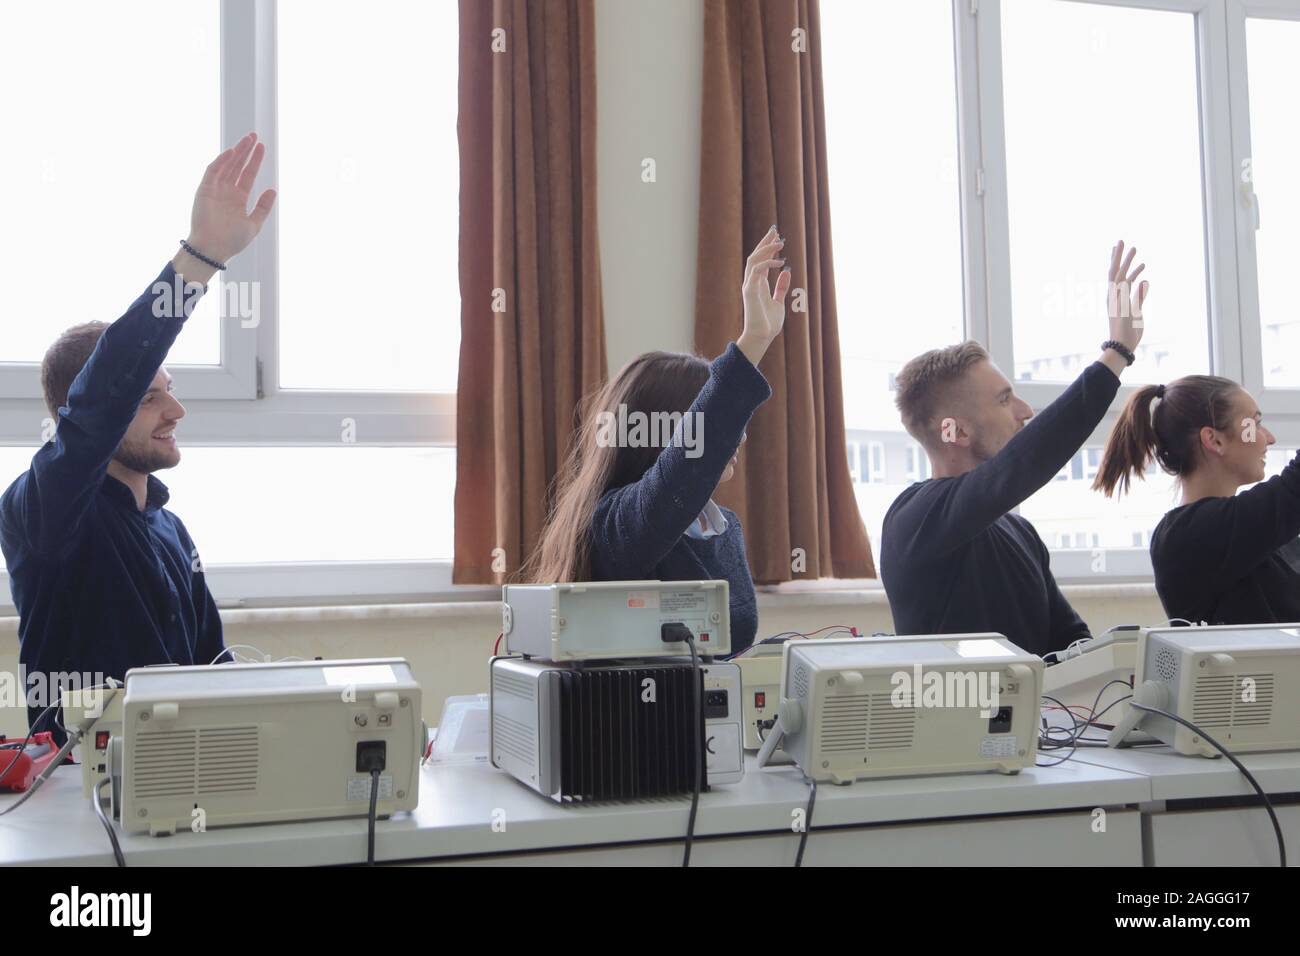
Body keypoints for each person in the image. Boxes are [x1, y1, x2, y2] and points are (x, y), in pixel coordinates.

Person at [0, 133, 277, 740]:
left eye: (170, 388)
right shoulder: (40, 512)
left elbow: (211, 668)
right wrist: (199, 259)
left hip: (189, 783)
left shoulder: (170, 529)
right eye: (148, 396)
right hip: (81, 805)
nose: (175, 408)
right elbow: (104, 397)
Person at [524, 226, 792, 654]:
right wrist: (753, 342)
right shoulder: (615, 524)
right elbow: (681, 476)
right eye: (710, 420)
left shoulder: (723, 528)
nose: (738, 436)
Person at [880, 241, 1149, 657]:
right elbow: (1022, 464)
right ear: (959, 432)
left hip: (1043, 724)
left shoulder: (1018, 531)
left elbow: (1068, 643)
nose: (1025, 411)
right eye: (1005, 400)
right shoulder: (913, 519)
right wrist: (1115, 354)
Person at [1093, 368, 1299, 626]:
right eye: (1255, 424)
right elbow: (1292, 491)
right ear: (1214, 440)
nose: (1269, 438)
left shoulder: (1261, 536)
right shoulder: (1187, 534)